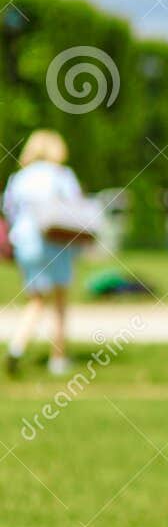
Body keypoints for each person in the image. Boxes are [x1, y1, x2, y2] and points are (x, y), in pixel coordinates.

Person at [3, 129, 85, 377]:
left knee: (36, 299)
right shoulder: (61, 175)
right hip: (54, 241)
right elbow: (75, 206)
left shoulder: (19, 178)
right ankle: (58, 359)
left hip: (25, 242)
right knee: (60, 300)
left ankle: (17, 347)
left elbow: (9, 209)